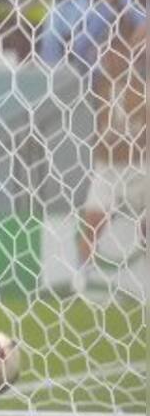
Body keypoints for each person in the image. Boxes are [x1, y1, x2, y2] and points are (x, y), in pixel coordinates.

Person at [77, 16, 146, 280]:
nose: (111, 58)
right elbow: (81, 51)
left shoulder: (142, 81)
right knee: (93, 221)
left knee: (146, 226)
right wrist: (107, 6)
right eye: (107, 53)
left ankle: (142, 275)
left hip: (142, 166)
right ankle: (82, 277)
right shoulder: (98, 82)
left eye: (117, 53)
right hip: (107, 167)